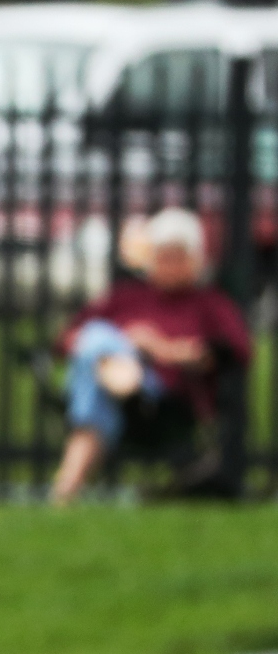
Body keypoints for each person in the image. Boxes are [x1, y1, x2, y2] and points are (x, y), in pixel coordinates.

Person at [49, 207, 250, 505]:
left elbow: (236, 351)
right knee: (99, 337)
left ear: (196, 261)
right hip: (116, 392)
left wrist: (157, 348)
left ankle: (67, 485)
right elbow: (68, 340)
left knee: (99, 342)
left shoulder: (210, 304)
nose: (169, 266)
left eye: (177, 257)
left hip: (164, 397)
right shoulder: (125, 296)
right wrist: (122, 345)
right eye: (163, 257)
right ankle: (117, 371)